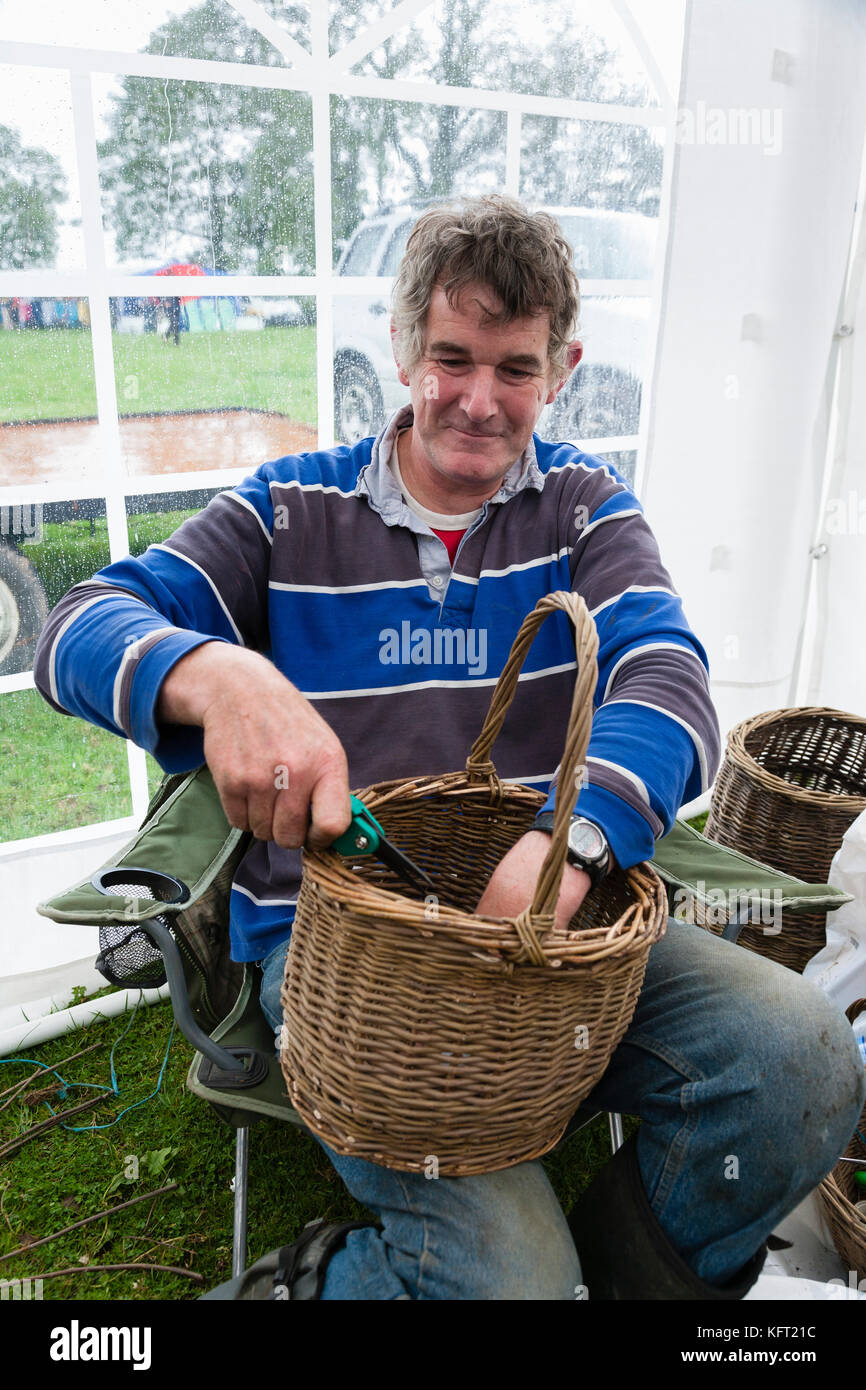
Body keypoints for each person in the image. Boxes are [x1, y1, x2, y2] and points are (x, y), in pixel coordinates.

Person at [34, 195, 865, 1301]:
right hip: (341, 952)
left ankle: (640, 1278)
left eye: (514, 369)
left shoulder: (581, 510)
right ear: (399, 347)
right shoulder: (288, 509)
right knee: (506, 1281)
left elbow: (667, 680)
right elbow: (75, 627)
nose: (476, 400)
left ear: (561, 367)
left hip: (551, 933)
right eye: (449, 358)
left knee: (801, 1055)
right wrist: (217, 673)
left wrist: (565, 847)